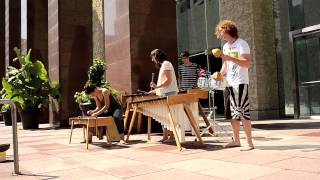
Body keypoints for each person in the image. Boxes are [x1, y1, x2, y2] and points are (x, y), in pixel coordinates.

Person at [215, 20, 254, 151]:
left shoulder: (242, 44)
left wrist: (230, 58)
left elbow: (247, 64)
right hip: (229, 84)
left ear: (229, 30)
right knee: (232, 114)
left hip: (240, 83)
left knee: (243, 113)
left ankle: (249, 143)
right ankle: (236, 140)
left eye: (222, 32)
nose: (220, 35)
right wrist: (219, 75)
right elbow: (225, 66)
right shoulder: (225, 47)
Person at [149, 49, 179, 143]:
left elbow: (168, 81)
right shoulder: (163, 65)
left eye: (152, 57)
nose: (152, 60)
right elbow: (164, 84)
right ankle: (165, 136)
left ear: (156, 56)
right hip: (165, 92)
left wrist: (157, 86)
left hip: (170, 93)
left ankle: (172, 136)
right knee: (163, 116)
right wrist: (155, 90)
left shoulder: (166, 64)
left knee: (170, 116)